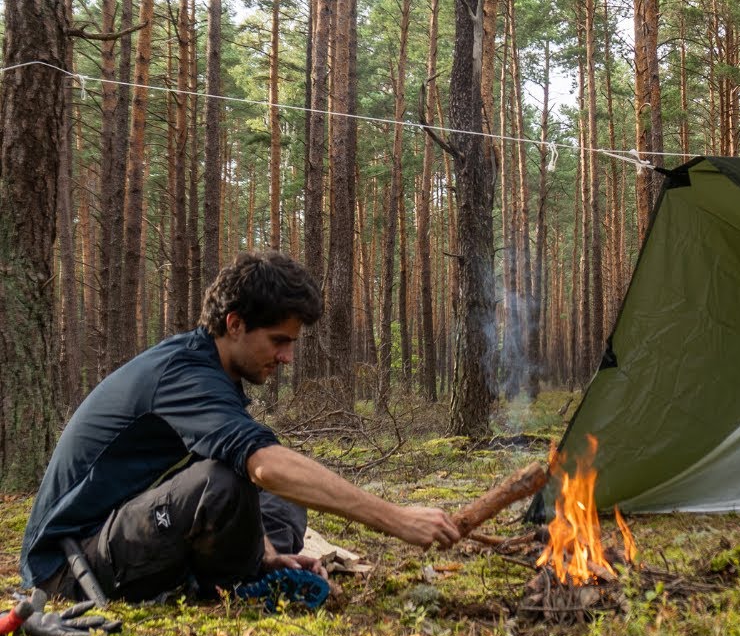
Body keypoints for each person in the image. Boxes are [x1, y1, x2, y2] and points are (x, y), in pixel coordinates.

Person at [19, 251, 461, 604]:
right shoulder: (184, 374)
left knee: (281, 499)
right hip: (69, 564)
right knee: (233, 480)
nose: (287, 357)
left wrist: (267, 552)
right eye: (279, 341)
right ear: (235, 324)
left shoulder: (214, 372)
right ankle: (236, 585)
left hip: (126, 531)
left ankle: (253, 567)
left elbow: (264, 476)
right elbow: (263, 467)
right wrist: (396, 518)